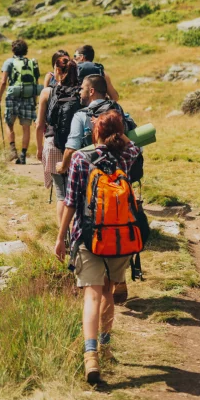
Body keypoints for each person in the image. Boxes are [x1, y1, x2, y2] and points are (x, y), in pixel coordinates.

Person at [54, 110, 141, 383]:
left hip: (88, 237)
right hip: (119, 237)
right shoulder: (125, 156)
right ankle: (106, 346)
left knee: (91, 296)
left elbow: (70, 202)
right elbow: (133, 145)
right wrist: (115, 128)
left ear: (95, 132)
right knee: (108, 292)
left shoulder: (81, 158)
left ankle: (90, 357)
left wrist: (61, 238)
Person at [36, 54, 78, 224]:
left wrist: (39, 149)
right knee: (77, 193)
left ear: (58, 71)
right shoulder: (81, 92)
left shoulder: (47, 92)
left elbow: (39, 124)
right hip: (76, 148)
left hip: (53, 145)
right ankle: (77, 231)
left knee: (62, 195)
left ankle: (63, 236)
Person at [0, 39, 41, 165]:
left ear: (13, 50)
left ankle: (12, 150)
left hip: (13, 97)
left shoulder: (9, 62)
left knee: (9, 123)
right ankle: (23, 155)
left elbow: (3, 81)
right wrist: (34, 99)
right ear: (25, 50)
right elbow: (36, 82)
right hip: (28, 97)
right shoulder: (32, 62)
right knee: (26, 127)